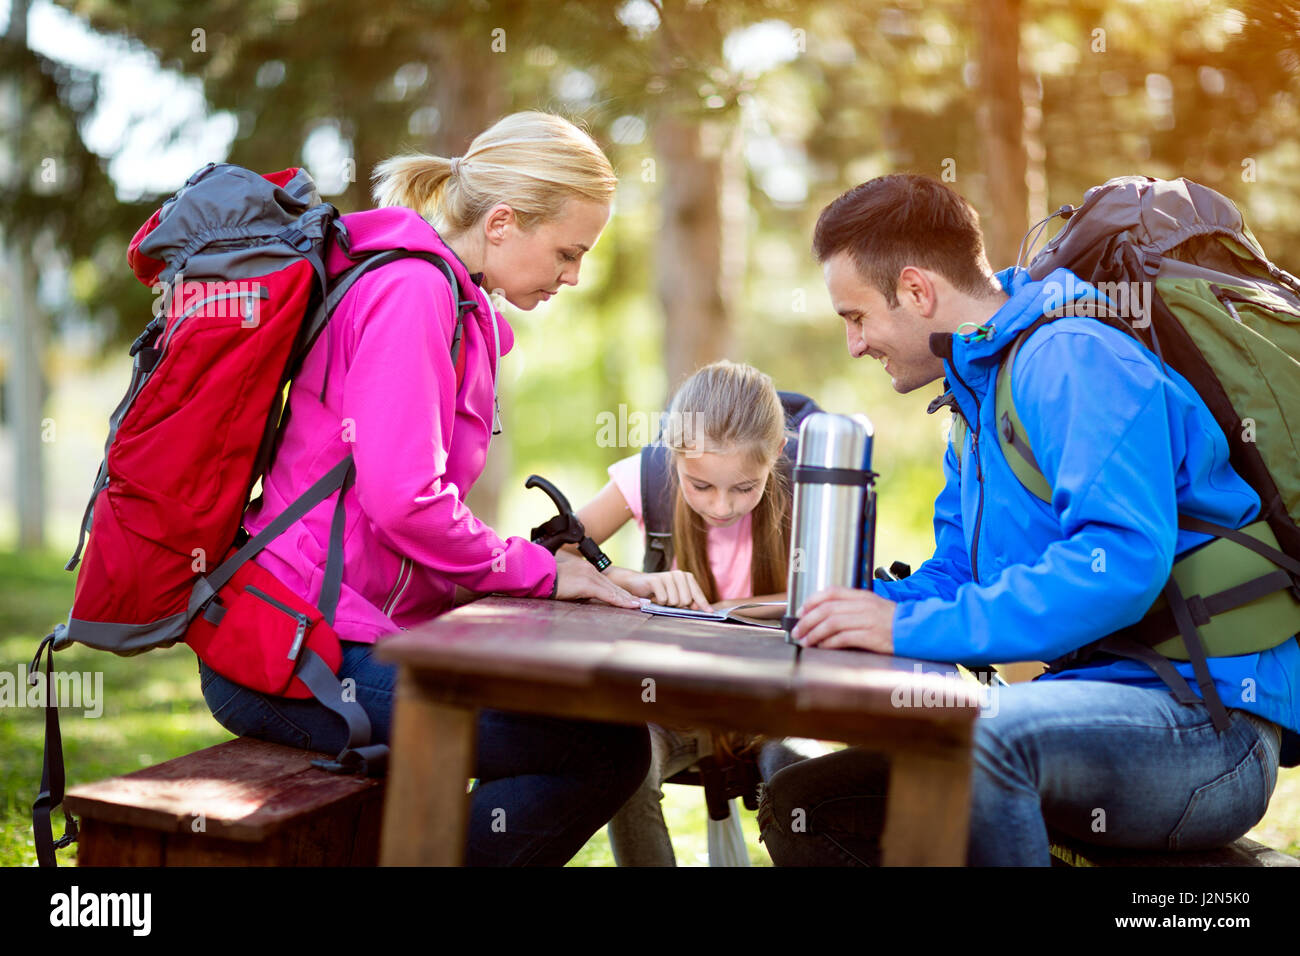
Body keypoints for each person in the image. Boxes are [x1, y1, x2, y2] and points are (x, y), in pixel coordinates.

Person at [757, 173, 1294, 866]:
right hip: (1091, 706)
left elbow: (1123, 561)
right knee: (809, 807)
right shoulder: (977, 390)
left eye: (856, 318)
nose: (855, 346)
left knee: (979, 738)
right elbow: (958, 573)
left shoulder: (1071, 357)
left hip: (1205, 731)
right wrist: (845, 608)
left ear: (918, 291)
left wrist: (904, 627)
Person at [197, 110, 650, 866]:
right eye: (568, 252)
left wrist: (528, 583)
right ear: (502, 223)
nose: (573, 276)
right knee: (600, 750)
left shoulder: (448, 298)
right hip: (290, 653)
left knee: (592, 736)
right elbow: (404, 498)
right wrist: (542, 571)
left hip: (339, 635)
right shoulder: (414, 294)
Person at [569, 359, 826, 866]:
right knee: (626, 765)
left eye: (745, 487)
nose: (722, 507)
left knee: (795, 781)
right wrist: (634, 581)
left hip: (777, 707)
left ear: (776, 453)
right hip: (673, 707)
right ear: (674, 456)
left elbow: (838, 597)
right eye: (701, 485)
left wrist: (735, 612)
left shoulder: (812, 487)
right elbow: (558, 555)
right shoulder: (646, 478)